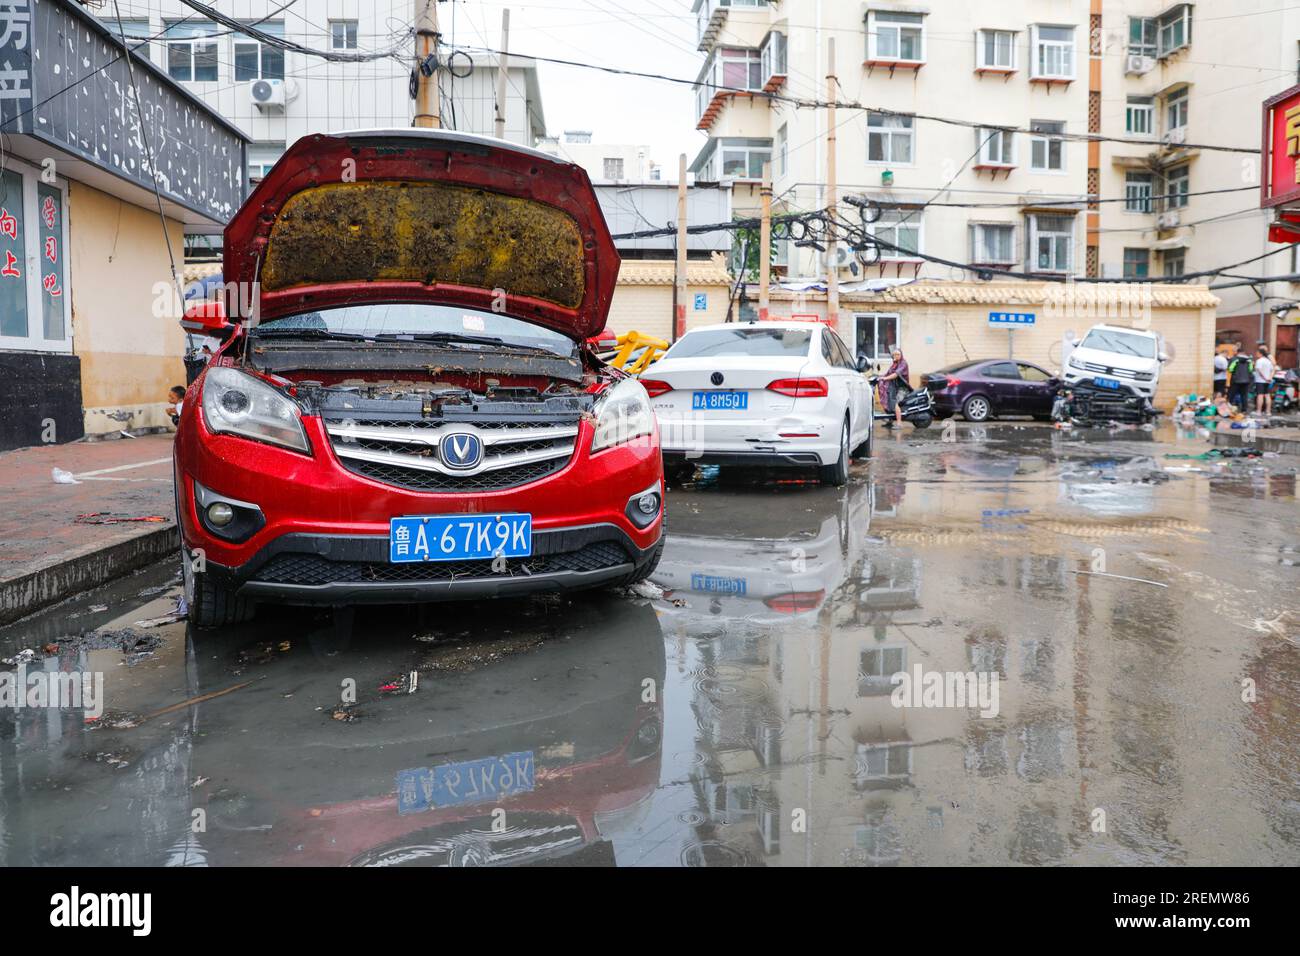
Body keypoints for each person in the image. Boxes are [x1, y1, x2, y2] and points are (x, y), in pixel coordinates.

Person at [877, 348, 910, 428]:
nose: (896, 356)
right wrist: (880, 376)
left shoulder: (903, 363)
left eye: (898, 354)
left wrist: (885, 379)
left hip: (902, 388)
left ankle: (899, 423)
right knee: (887, 400)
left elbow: (895, 374)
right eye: (894, 354)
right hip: (894, 387)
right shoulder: (894, 364)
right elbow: (888, 373)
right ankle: (890, 421)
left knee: (894, 403)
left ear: (901, 355)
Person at [1226, 345, 1254, 413]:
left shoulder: (1234, 359)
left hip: (1236, 380)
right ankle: (1244, 410)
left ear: (1238, 352)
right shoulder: (1249, 360)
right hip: (1246, 381)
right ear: (1243, 353)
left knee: (1231, 395)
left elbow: (1230, 369)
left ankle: (1229, 410)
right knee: (1244, 396)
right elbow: (1251, 370)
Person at [1254, 345, 1274, 415]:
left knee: (1260, 395)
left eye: (1257, 353)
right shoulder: (1268, 361)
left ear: (1261, 353)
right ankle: (1268, 411)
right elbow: (1272, 370)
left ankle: (1258, 411)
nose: (1256, 354)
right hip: (1267, 381)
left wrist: (1265, 378)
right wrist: (1270, 378)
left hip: (1260, 381)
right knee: (1267, 395)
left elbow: (1259, 371)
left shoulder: (1259, 361)